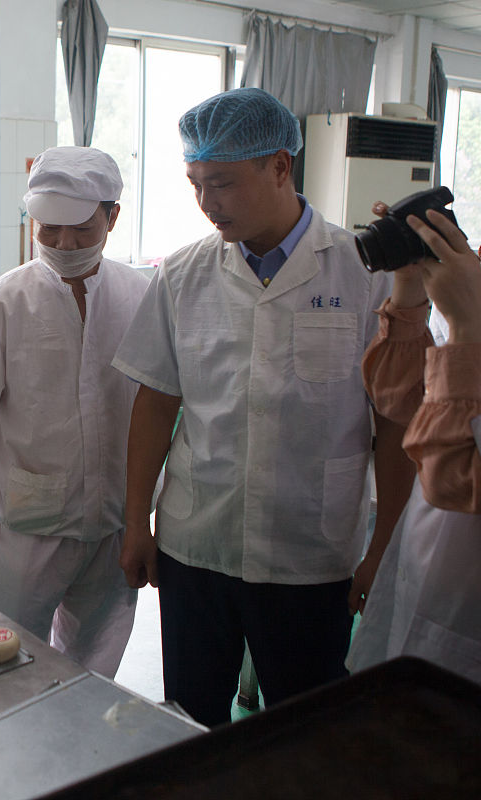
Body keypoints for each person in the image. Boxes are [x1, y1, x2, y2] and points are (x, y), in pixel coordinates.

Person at [112, 88, 415, 727]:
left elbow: (393, 422)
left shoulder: (364, 274)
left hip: (311, 551)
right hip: (199, 543)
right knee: (189, 715)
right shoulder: (183, 274)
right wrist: (137, 520)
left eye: (222, 183)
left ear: (280, 166)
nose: (207, 202)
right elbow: (155, 402)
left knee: (305, 724)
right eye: (195, 183)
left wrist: (383, 540)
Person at [0, 147, 145, 675]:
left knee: (97, 654)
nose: (63, 243)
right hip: (30, 522)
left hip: (116, 517)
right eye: (48, 228)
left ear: (112, 216)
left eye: (80, 228)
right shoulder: (2, 303)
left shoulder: (141, 297)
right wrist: (25, 448)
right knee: (9, 649)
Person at [347, 203, 481, 682]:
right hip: (423, 579)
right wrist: (409, 289)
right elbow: (399, 401)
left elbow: (455, 478)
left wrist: (467, 330)